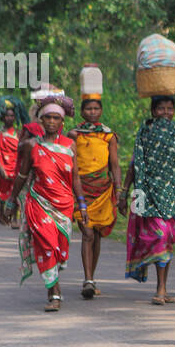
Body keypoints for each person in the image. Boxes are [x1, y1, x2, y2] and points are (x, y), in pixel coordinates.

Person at [120, 69, 175, 304]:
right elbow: (135, 163)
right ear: (153, 111)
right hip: (150, 195)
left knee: (168, 238)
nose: (166, 112)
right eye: (161, 109)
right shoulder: (145, 132)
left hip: (173, 196)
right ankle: (161, 290)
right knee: (160, 237)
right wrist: (124, 193)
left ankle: (162, 288)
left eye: (169, 108)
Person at [7, 95, 83, 312]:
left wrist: (82, 205)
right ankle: (55, 294)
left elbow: (75, 177)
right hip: (39, 203)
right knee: (47, 246)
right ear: (41, 121)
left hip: (64, 205)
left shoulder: (70, 146)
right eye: (47, 118)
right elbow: (22, 175)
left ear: (62, 122)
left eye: (55, 118)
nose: (51, 122)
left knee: (60, 251)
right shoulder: (33, 145)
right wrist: (12, 200)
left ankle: (53, 282)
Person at [71, 84, 120, 299]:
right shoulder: (74, 135)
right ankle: (87, 279)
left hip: (103, 191)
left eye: (96, 109)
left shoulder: (108, 136)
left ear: (101, 111)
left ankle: (91, 278)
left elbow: (115, 165)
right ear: (82, 112)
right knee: (87, 233)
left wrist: (119, 189)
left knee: (98, 234)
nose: (92, 112)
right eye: (88, 109)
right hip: (81, 190)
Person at [0, 96, 25, 226]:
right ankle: (2, 210)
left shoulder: (18, 133)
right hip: (2, 164)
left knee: (14, 191)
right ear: (2, 117)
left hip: (15, 165)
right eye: (7, 116)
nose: (9, 118)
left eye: (12, 116)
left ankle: (14, 217)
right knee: (3, 191)